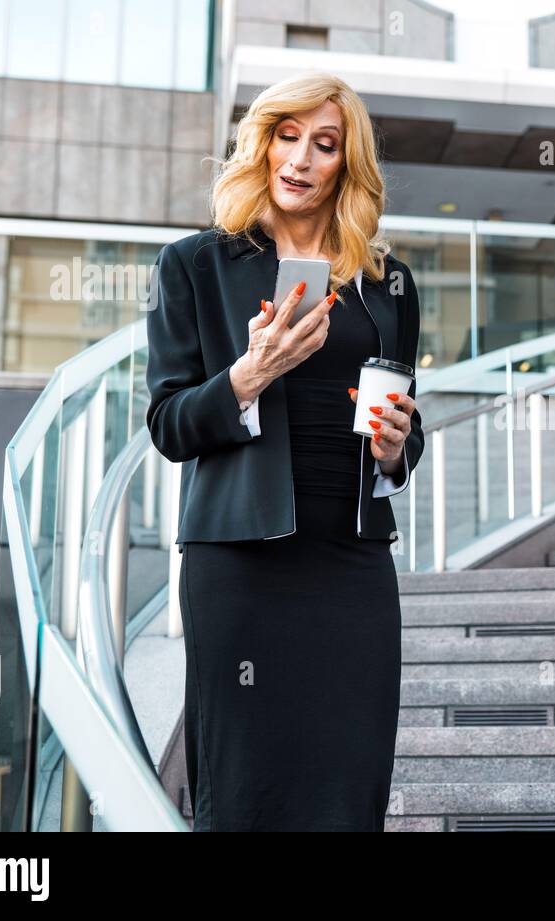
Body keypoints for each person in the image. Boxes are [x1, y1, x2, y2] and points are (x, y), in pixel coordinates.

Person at [144, 72, 424, 831]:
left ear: (347, 164)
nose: (300, 158)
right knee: (244, 794)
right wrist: (250, 373)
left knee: (348, 789)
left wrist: (399, 445)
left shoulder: (388, 282)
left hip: (353, 563)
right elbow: (168, 423)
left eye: (324, 143)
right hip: (240, 562)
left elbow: (402, 420)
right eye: (285, 136)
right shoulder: (196, 266)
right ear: (261, 146)